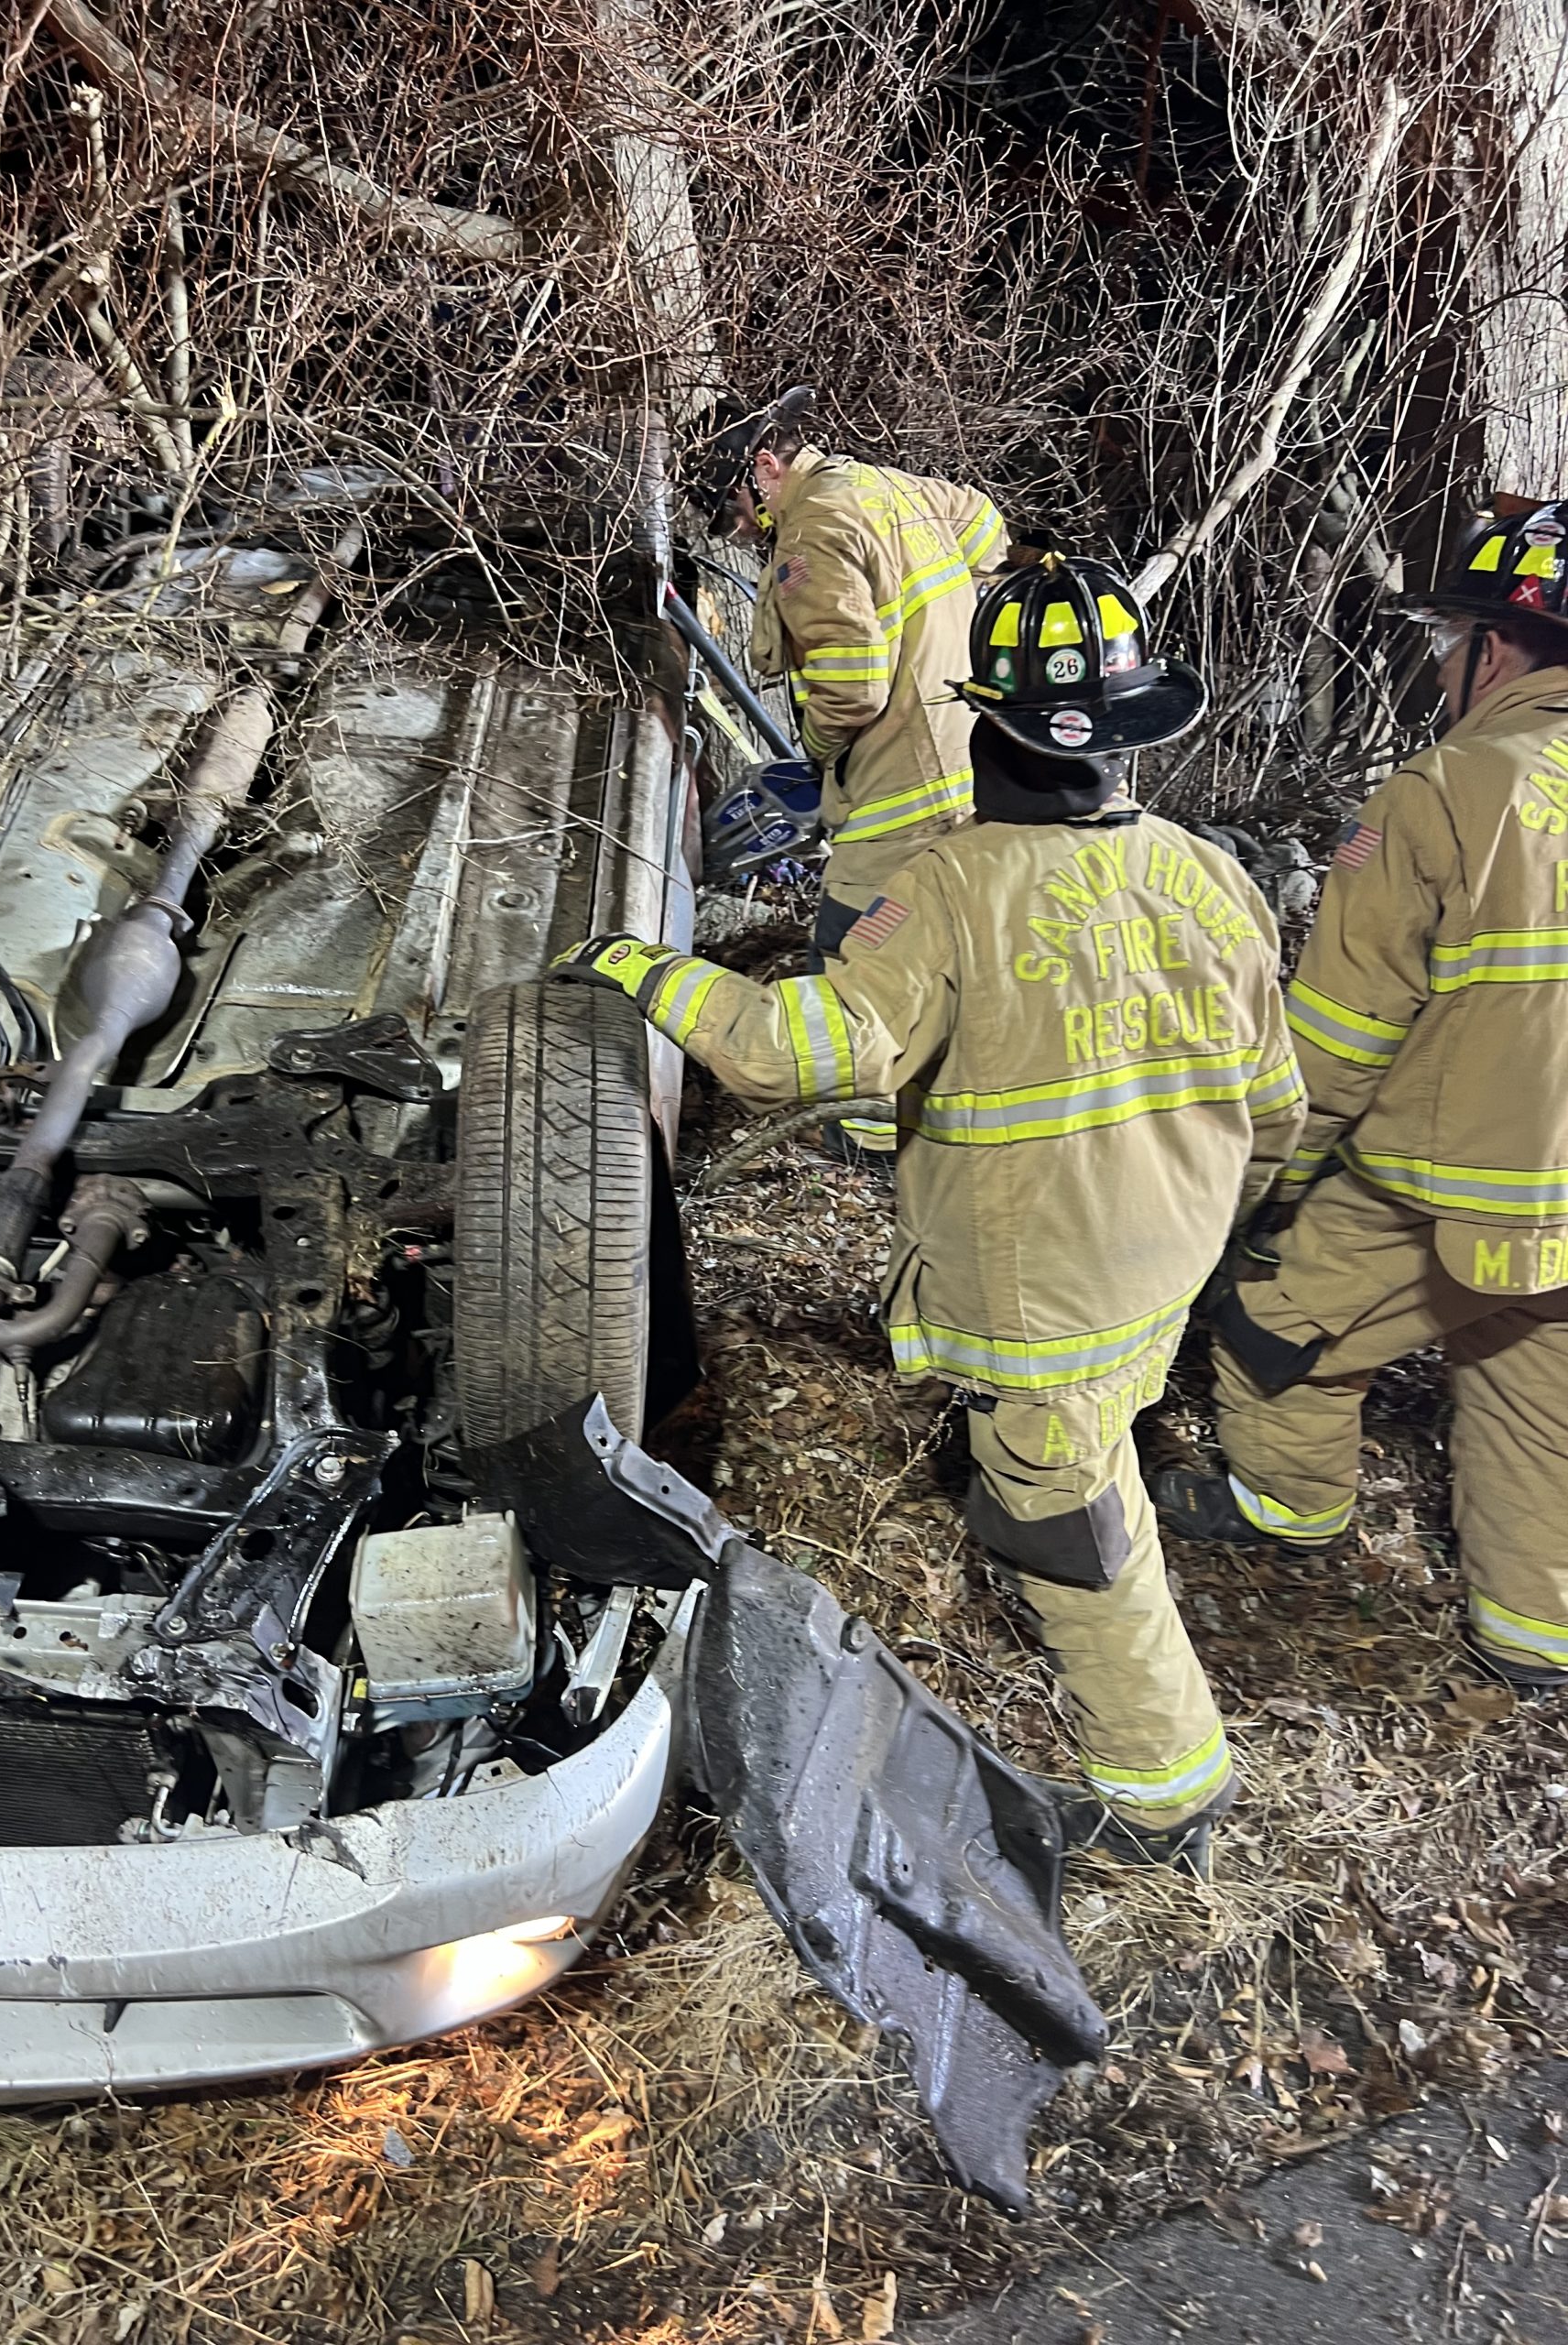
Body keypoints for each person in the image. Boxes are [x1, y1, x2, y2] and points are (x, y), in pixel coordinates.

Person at [557, 553, 1305, 1869]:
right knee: (1087, 1432)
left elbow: (804, 1049)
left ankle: (1166, 1790)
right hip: (1168, 1262)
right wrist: (1204, 1233)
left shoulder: (949, 889)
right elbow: (1277, 1109)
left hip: (1045, 1302)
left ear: (985, 722)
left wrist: (648, 974)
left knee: (1066, 1522)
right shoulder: (1211, 876)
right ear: (1129, 735)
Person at [1154, 505, 1568, 1700]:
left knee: (1275, 1326)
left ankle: (1288, 1507)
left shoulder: (1446, 791)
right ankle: (1534, 1638)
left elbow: (1335, 1040)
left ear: (1493, 650)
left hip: (1453, 1186)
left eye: (1453, 645)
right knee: (1532, 1378)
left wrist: (1260, 1179)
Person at [687, 387, 1011, 1160]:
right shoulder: (887, 486)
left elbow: (852, 685)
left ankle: (863, 1143)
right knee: (956, 941)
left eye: (732, 506)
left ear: (764, 468)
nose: (736, 528)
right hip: (977, 756)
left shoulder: (812, 535)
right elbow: (990, 533)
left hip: (905, 784)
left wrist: (822, 755)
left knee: (853, 954)